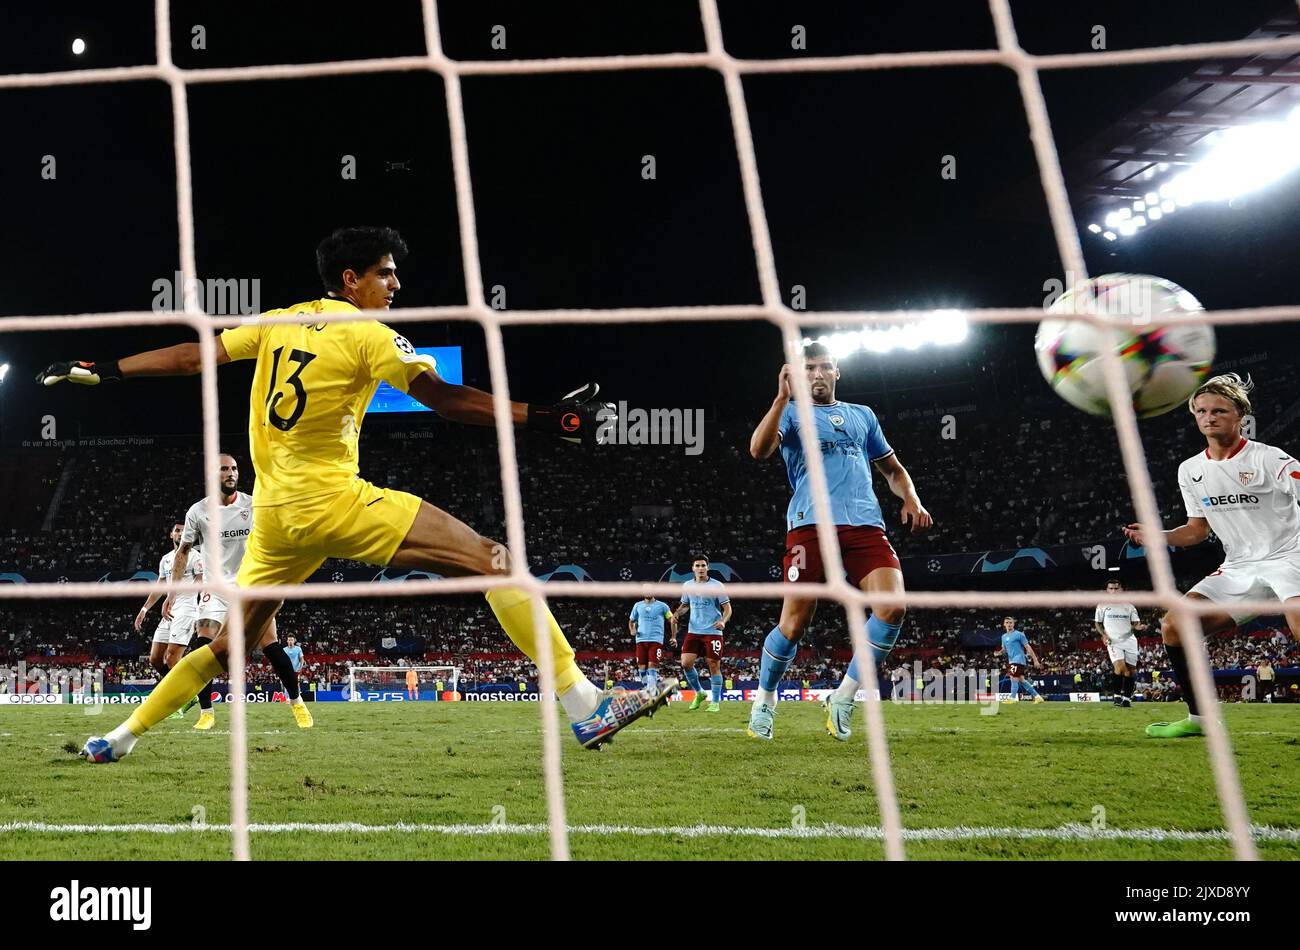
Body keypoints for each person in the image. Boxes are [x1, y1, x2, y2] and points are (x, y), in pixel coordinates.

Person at [41, 225, 674, 761]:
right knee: (494, 561)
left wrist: (109, 368)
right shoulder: (369, 334)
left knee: (231, 645)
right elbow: (445, 400)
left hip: (277, 519)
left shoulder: (280, 322)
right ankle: (584, 703)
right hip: (334, 503)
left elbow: (192, 358)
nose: (396, 285)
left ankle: (118, 739)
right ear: (350, 280)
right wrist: (545, 418)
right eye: (385, 274)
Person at [746, 343, 932, 741]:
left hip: (864, 523)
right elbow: (759, 451)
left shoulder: (862, 416)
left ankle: (844, 696)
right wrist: (780, 398)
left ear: (837, 372)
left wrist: (912, 499)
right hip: (809, 524)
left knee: (892, 607)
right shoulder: (792, 413)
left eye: (824, 367)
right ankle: (764, 699)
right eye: (808, 368)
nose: (816, 374)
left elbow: (892, 469)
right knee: (794, 624)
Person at [1122, 374, 1300, 738]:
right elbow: (1197, 531)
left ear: (1240, 416)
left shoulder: (1271, 459)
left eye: (1219, 410)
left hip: (1290, 557)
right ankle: (1200, 720)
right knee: (1175, 624)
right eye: (1201, 411)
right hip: (1239, 567)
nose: (1209, 417)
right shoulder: (1191, 470)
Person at [167, 454, 311, 730]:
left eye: (234, 468)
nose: (231, 473)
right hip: (216, 590)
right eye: (224, 469)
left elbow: (276, 538)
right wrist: (173, 593)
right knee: (204, 645)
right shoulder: (198, 511)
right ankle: (206, 713)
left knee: (270, 645)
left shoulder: (253, 504)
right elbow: (183, 552)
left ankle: (297, 702)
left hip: (251, 586)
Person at [134, 523, 202, 720]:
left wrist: (180, 598)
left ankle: (178, 699)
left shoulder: (196, 556)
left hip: (187, 608)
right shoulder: (165, 559)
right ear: (171, 534)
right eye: (177, 530)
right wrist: (144, 609)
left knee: (172, 659)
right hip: (169, 610)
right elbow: (160, 586)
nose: (180, 532)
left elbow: (201, 581)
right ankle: (188, 695)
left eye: (184, 529)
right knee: (155, 659)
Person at [671, 555, 730, 712]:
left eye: (703, 565)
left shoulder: (717, 585)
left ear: (708, 567)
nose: (701, 568)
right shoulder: (688, 585)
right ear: (693, 568)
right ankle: (700, 693)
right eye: (697, 565)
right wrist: (677, 613)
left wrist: (723, 621)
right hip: (694, 630)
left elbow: (728, 608)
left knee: (713, 665)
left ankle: (715, 703)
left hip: (713, 631)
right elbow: (685, 605)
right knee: (685, 663)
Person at [1095, 578, 1148, 707]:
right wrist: (1103, 635)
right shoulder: (1102, 606)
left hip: (1129, 640)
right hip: (1113, 641)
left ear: (1121, 590)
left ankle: (1127, 699)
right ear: (1107, 590)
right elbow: (1098, 623)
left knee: (1131, 671)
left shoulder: (1129, 606)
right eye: (1111, 588)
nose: (1114, 591)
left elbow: (1136, 622)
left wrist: (1138, 627)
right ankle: (1117, 695)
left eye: (1116, 588)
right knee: (1120, 667)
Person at [629, 595, 676, 694]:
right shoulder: (638, 605)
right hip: (640, 640)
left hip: (656, 639)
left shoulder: (663, 606)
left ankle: (652, 690)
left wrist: (673, 636)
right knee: (641, 667)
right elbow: (631, 621)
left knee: (652, 665)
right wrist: (632, 629)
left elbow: (672, 620)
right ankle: (647, 687)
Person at [997, 617, 1044, 703]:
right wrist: (999, 652)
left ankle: (1012, 698)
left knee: (1013, 678)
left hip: (1018, 659)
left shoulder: (1019, 634)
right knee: (1022, 680)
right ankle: (1037, 697)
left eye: (1011, 622)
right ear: (1004, 624)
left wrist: (1035, 660)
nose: (1009, 624)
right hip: (1011, 660)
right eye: (1007, 622)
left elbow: (1028, 647)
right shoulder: (1003, 637)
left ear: (1013, 624)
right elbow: (1004, 649)